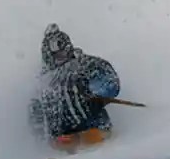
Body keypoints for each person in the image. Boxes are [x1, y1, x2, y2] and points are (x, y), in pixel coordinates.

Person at [28, 23, 121, 152]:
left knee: (95, 144)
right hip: (62, 139)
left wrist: (94, 90)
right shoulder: (43, 82)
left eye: (62, 50)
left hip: (95, 129)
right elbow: (36, 112)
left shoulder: (83, 64)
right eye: (55, 54)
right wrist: (41, 139)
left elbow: (110, 80)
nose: (60, 55)